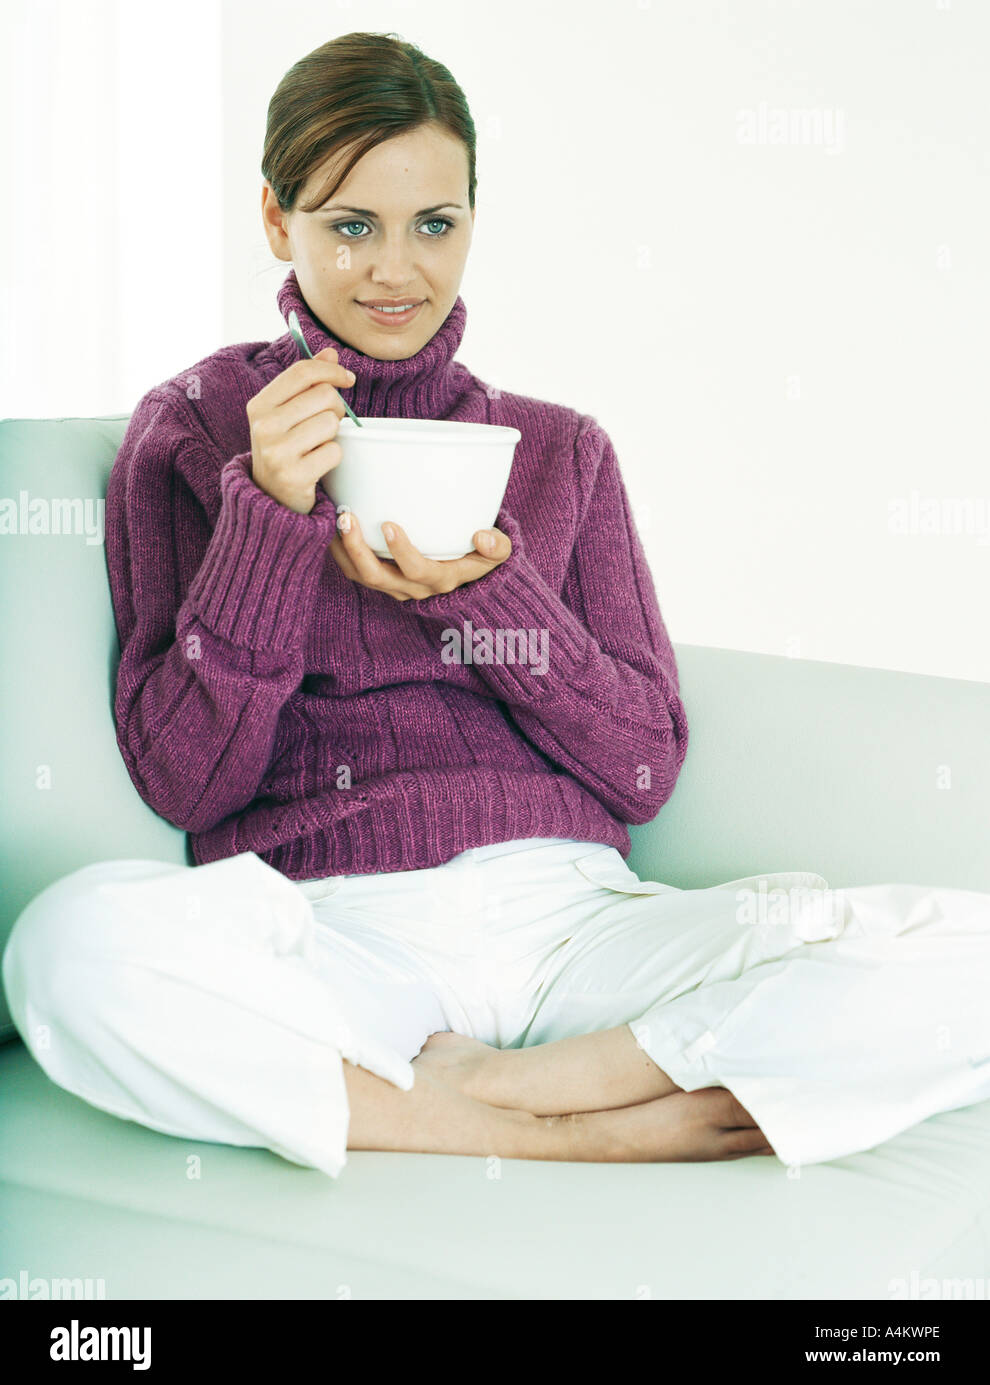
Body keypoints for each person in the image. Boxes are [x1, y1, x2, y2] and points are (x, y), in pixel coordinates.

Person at [5, 32, 989, 1181]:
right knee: (63, 948)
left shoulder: (561, 451)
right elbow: (186, 782)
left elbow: (644, 769)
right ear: (277, 222)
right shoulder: (196, 430)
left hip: (573, 921)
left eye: (435, 224)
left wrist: (489, 594)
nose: (396, 272)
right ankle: (577, 1126)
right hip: (333, 929)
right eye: (349, 224)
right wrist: (269, 521)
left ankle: (507, 1087)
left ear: (474, 218)